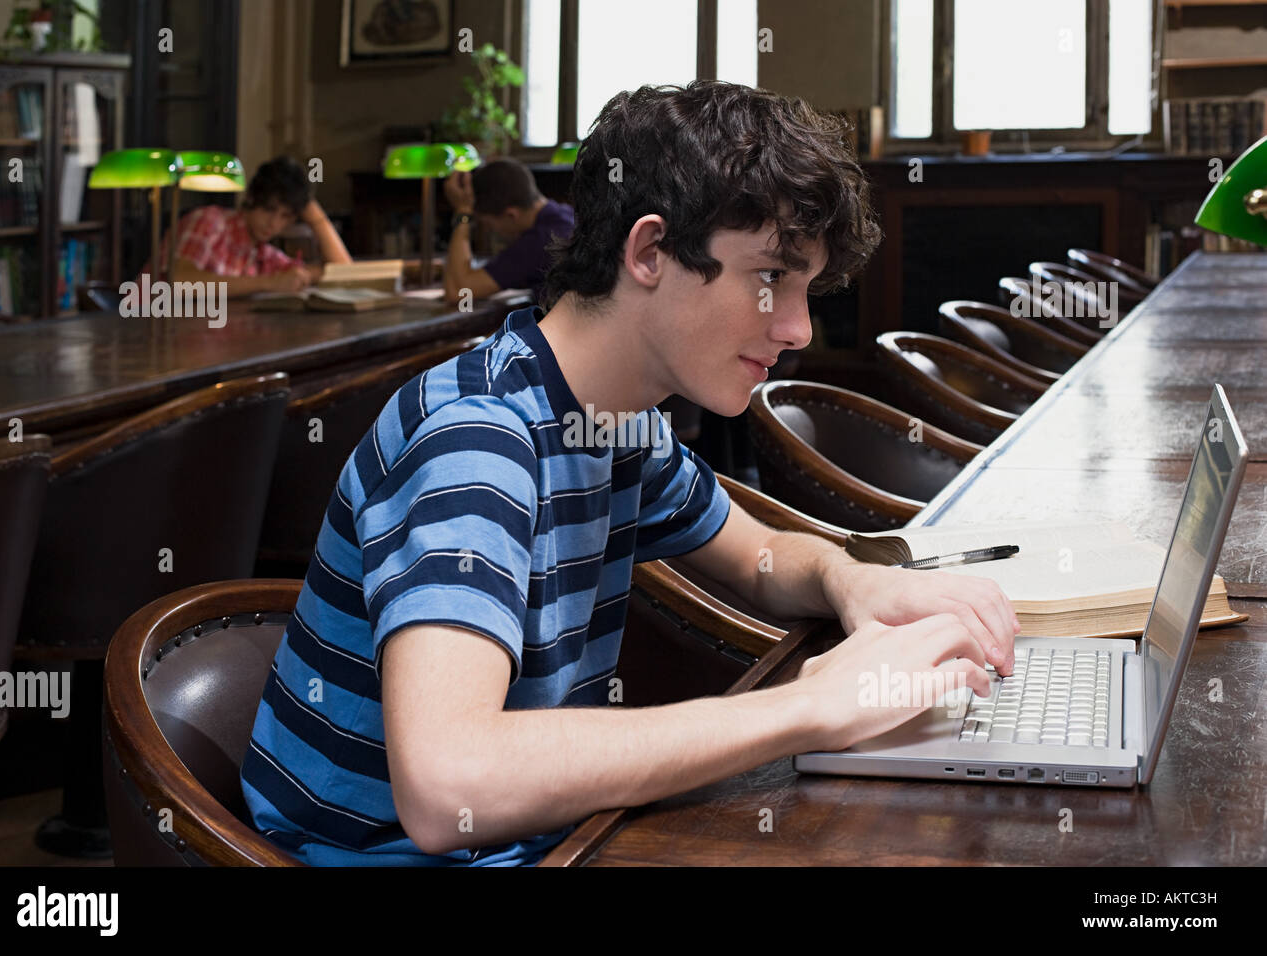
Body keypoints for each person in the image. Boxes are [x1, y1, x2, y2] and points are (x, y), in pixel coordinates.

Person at [240, 81, 1018, 866]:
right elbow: (451, 788)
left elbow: (760, 558)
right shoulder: (478, 439)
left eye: (805, 290)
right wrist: (810, 706)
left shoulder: (615, 420)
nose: (797, 328)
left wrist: (858, 584)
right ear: (649, 252)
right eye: (771, 279)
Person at [146, 155, 353, 297]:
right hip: (147, 329)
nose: (274, 223)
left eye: (285, 216)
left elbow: (345, 273)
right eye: (269, 210)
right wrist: (269, 283)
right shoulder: (210, 221)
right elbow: (180, 282)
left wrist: (314, 215)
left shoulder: (264, 255)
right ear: (251, 198)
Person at [441, 157, 574, 304]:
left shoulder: (542, 241)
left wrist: (463, 212)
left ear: (511, 215)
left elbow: (459, 292)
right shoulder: (568, 216)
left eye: (489, 224)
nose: (493, 231)